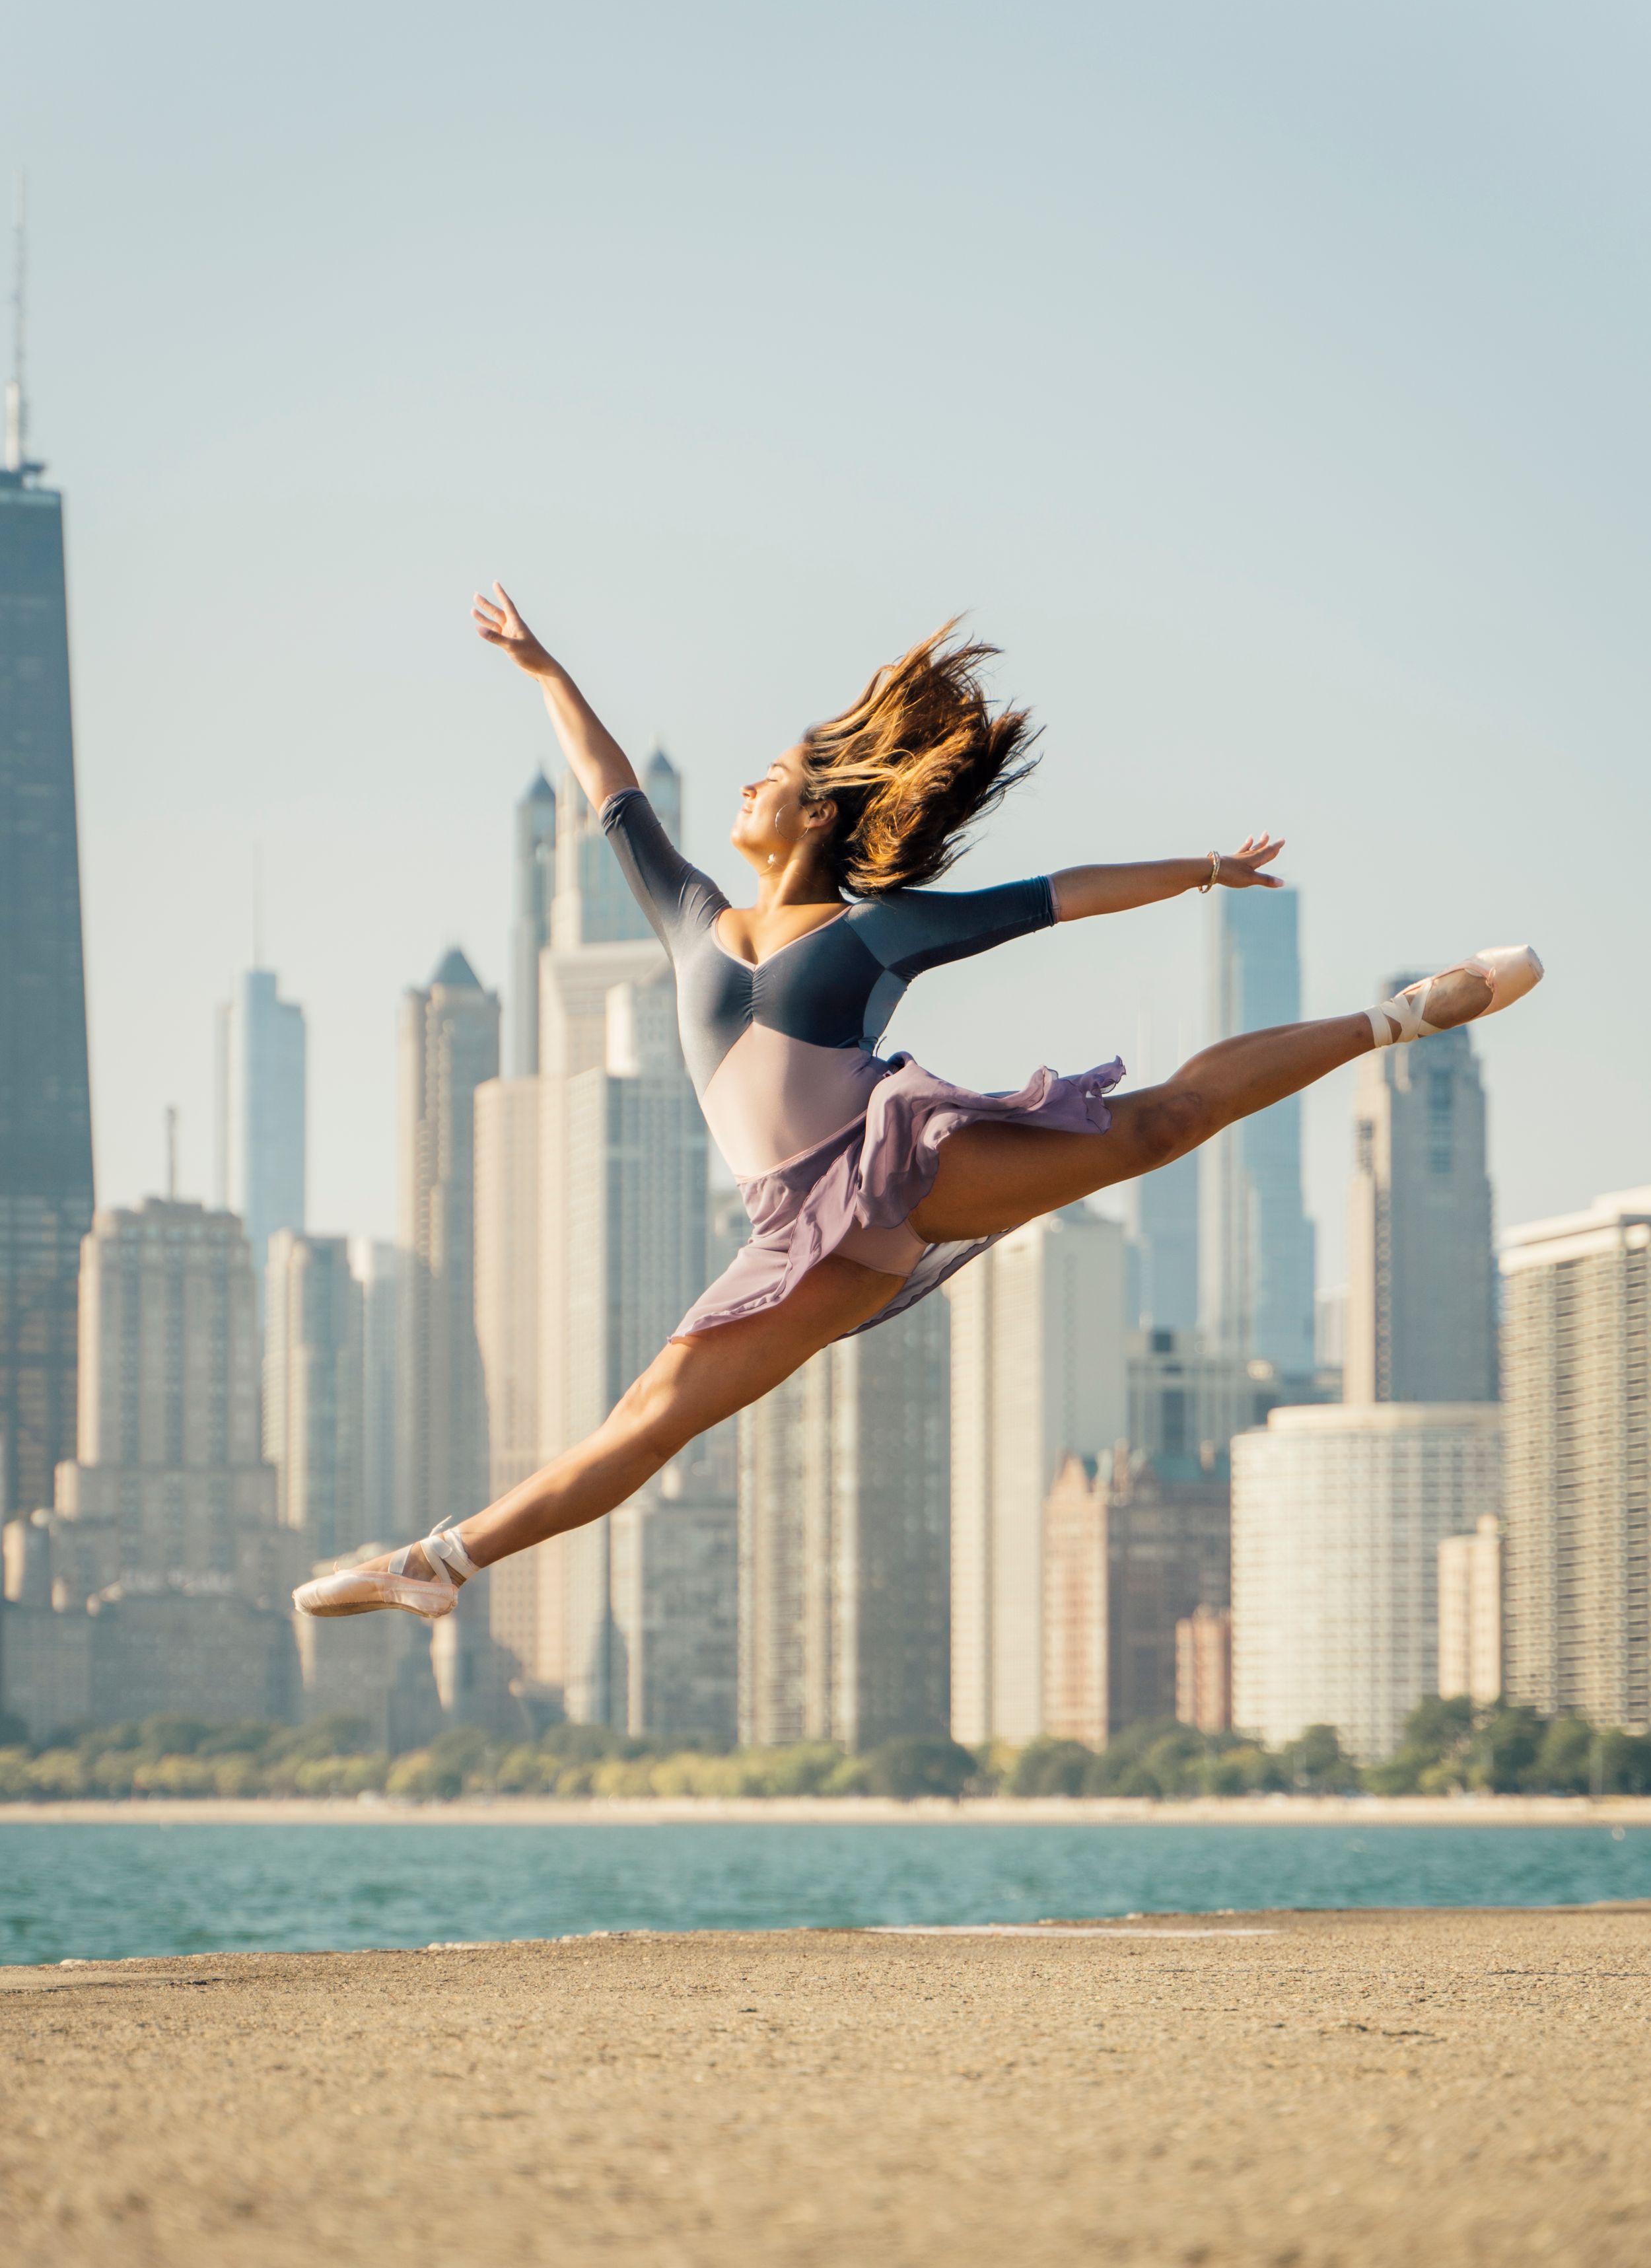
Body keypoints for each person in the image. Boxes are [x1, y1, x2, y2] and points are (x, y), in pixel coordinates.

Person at [295, 590, 1541, 1619]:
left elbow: (1060, 894)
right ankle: (439, 1563)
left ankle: (1400, 1017)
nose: (745, 788)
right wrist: (545, 668)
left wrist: (1205, 870)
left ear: (816, 813)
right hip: (794, 1230)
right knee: (650, 1418)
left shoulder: (882, 929)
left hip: (892, 1159)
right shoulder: (688, 913)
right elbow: (609, 787)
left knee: (1159, 1127)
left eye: (769, 778)